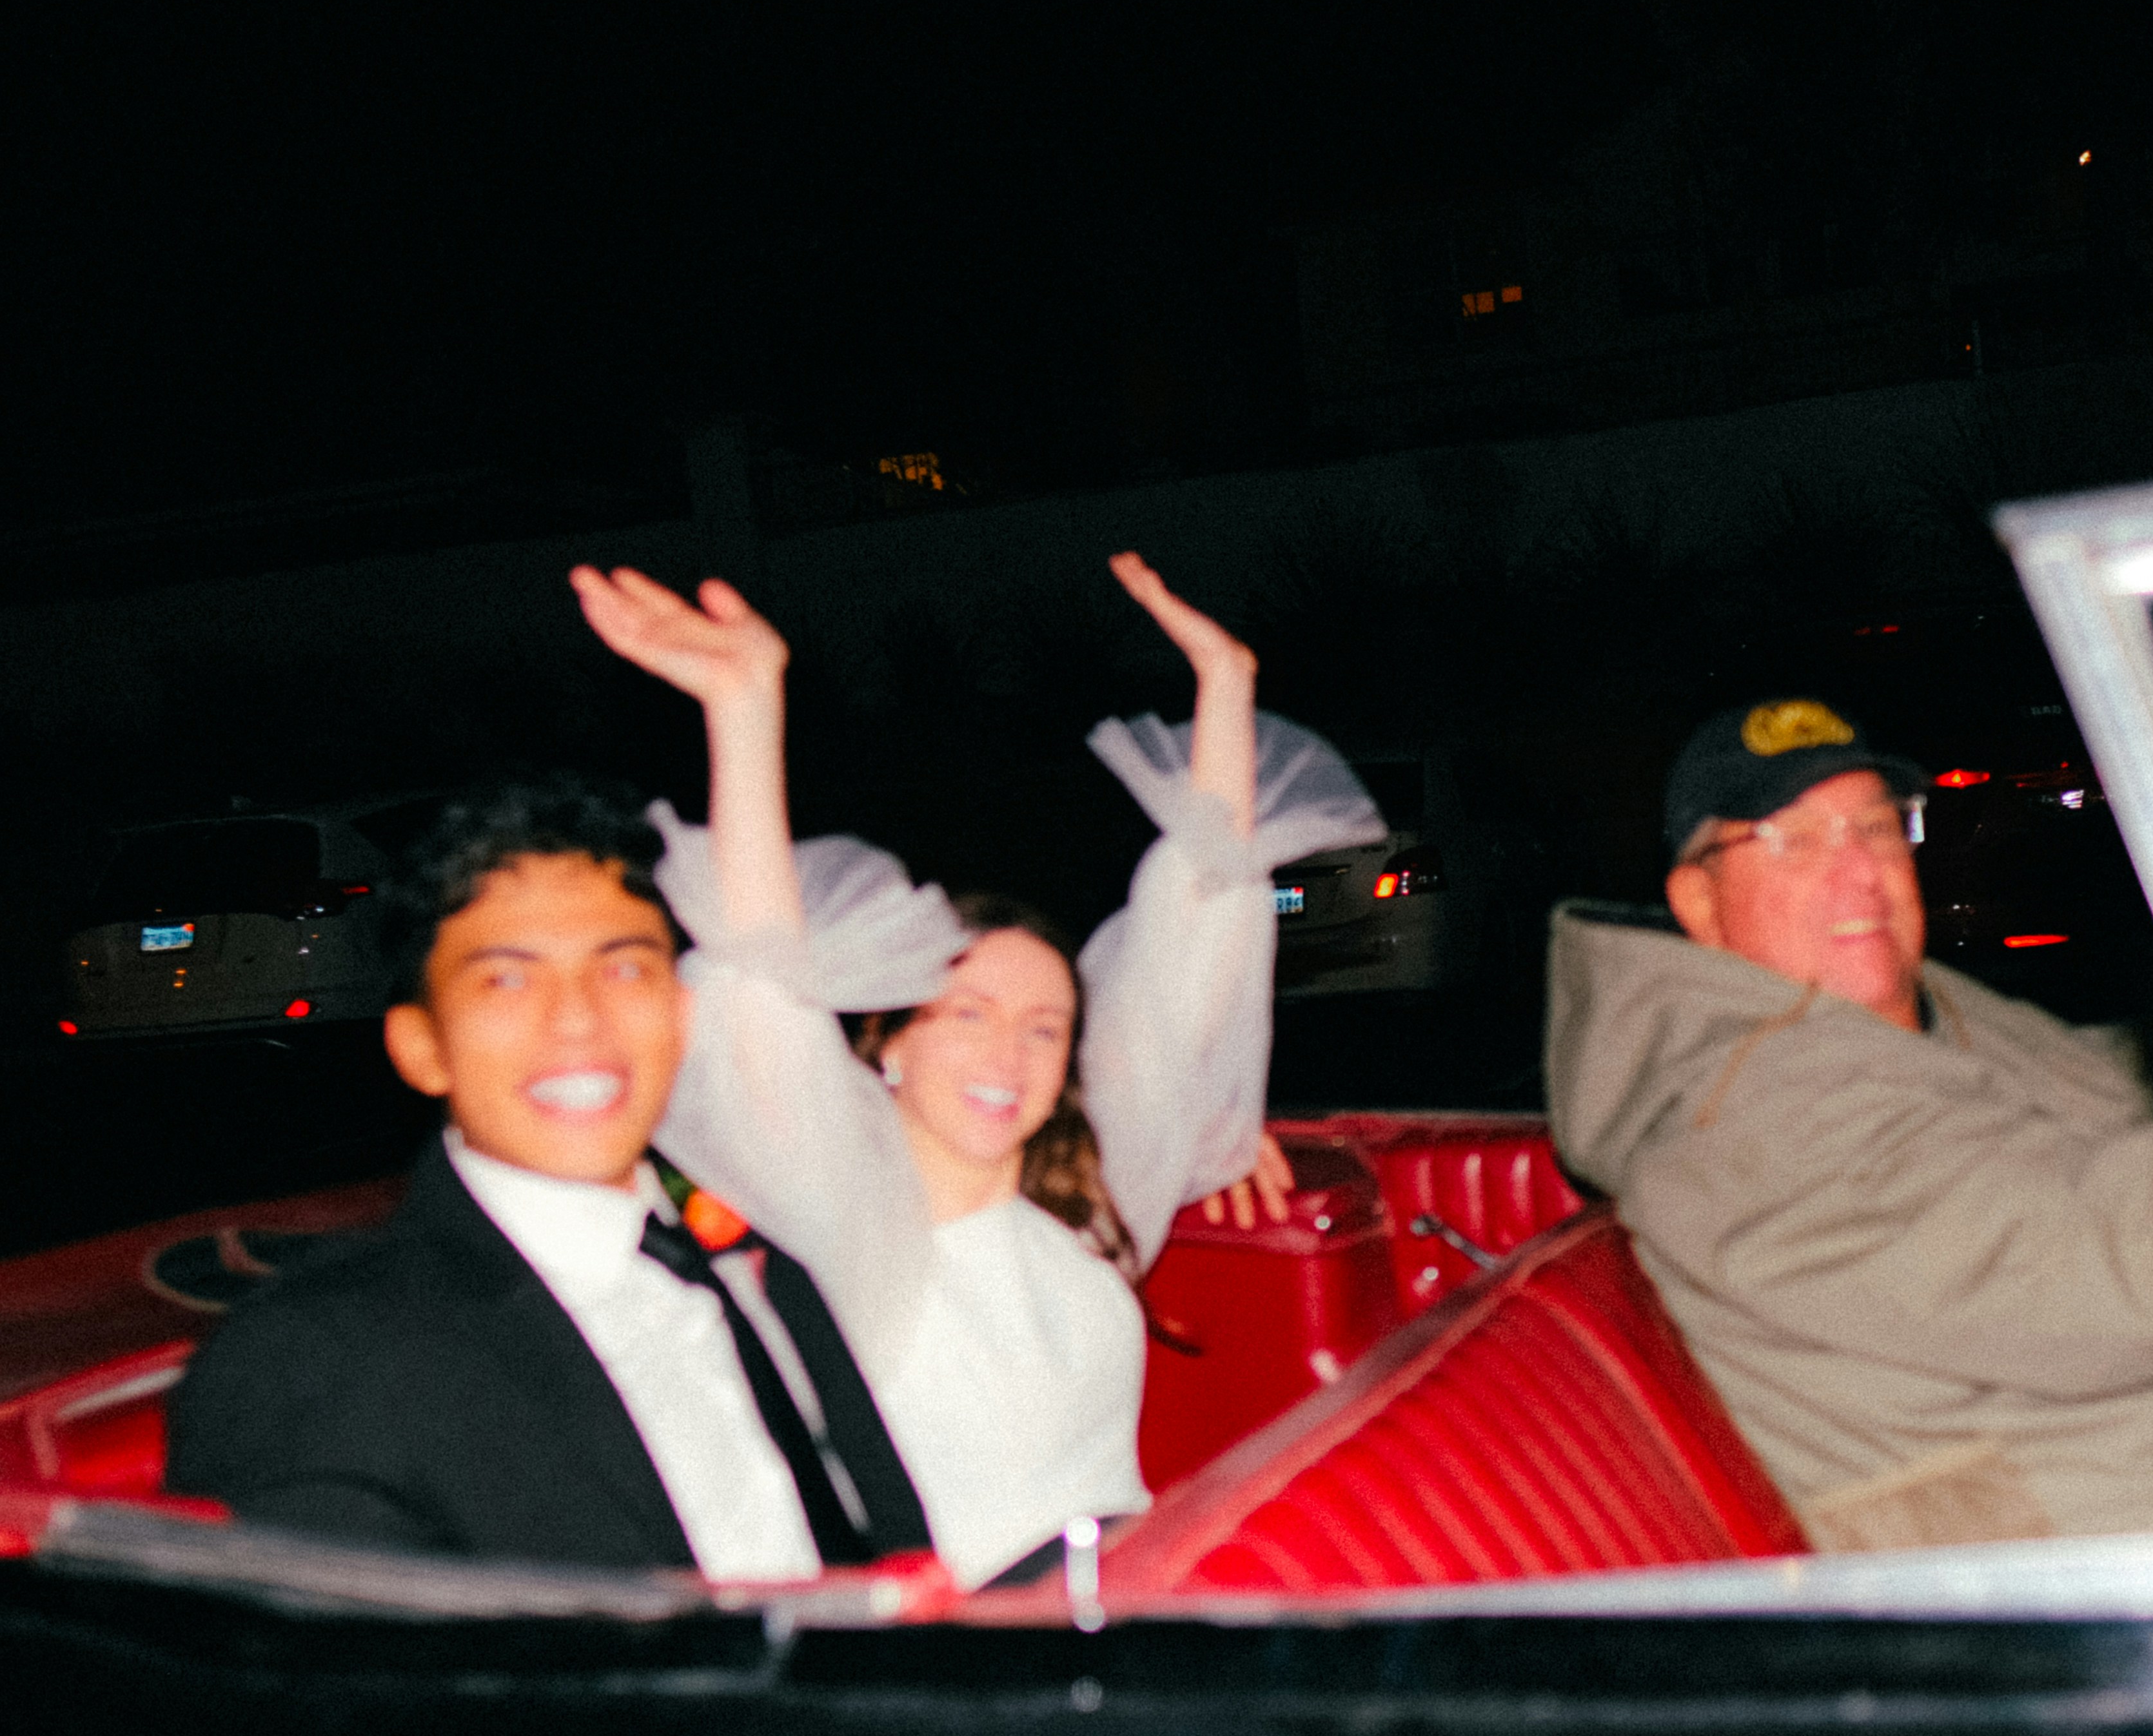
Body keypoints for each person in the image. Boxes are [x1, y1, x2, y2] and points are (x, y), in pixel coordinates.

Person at [1547, 697, 2153, 1550]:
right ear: (1699, 903)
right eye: (1793, 840)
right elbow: (2133, 1269)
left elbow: (2148, 1084)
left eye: (1876, 828)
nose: (1857, 871)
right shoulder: (1748, 1116)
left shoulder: (1919, 1026)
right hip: (2102, 1573)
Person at [573, 552, 1379, 1586]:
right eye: (969, 1014)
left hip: (1146, 1598)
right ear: (890, 1044)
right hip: (981, 1660)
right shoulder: (858, 1222)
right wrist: (745, 706)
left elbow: (1196, 923)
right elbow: (763, 979)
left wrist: (1227, 685)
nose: (1011, 1052)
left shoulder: (1085, 1203)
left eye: (1046, 1029)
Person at [164, 779, 932, 1577]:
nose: (578, 1020)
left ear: (683, 1011)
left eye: (625, 970)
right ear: (421, 1046)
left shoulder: (748, 1271)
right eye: (508, 979)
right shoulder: (313, 1359)